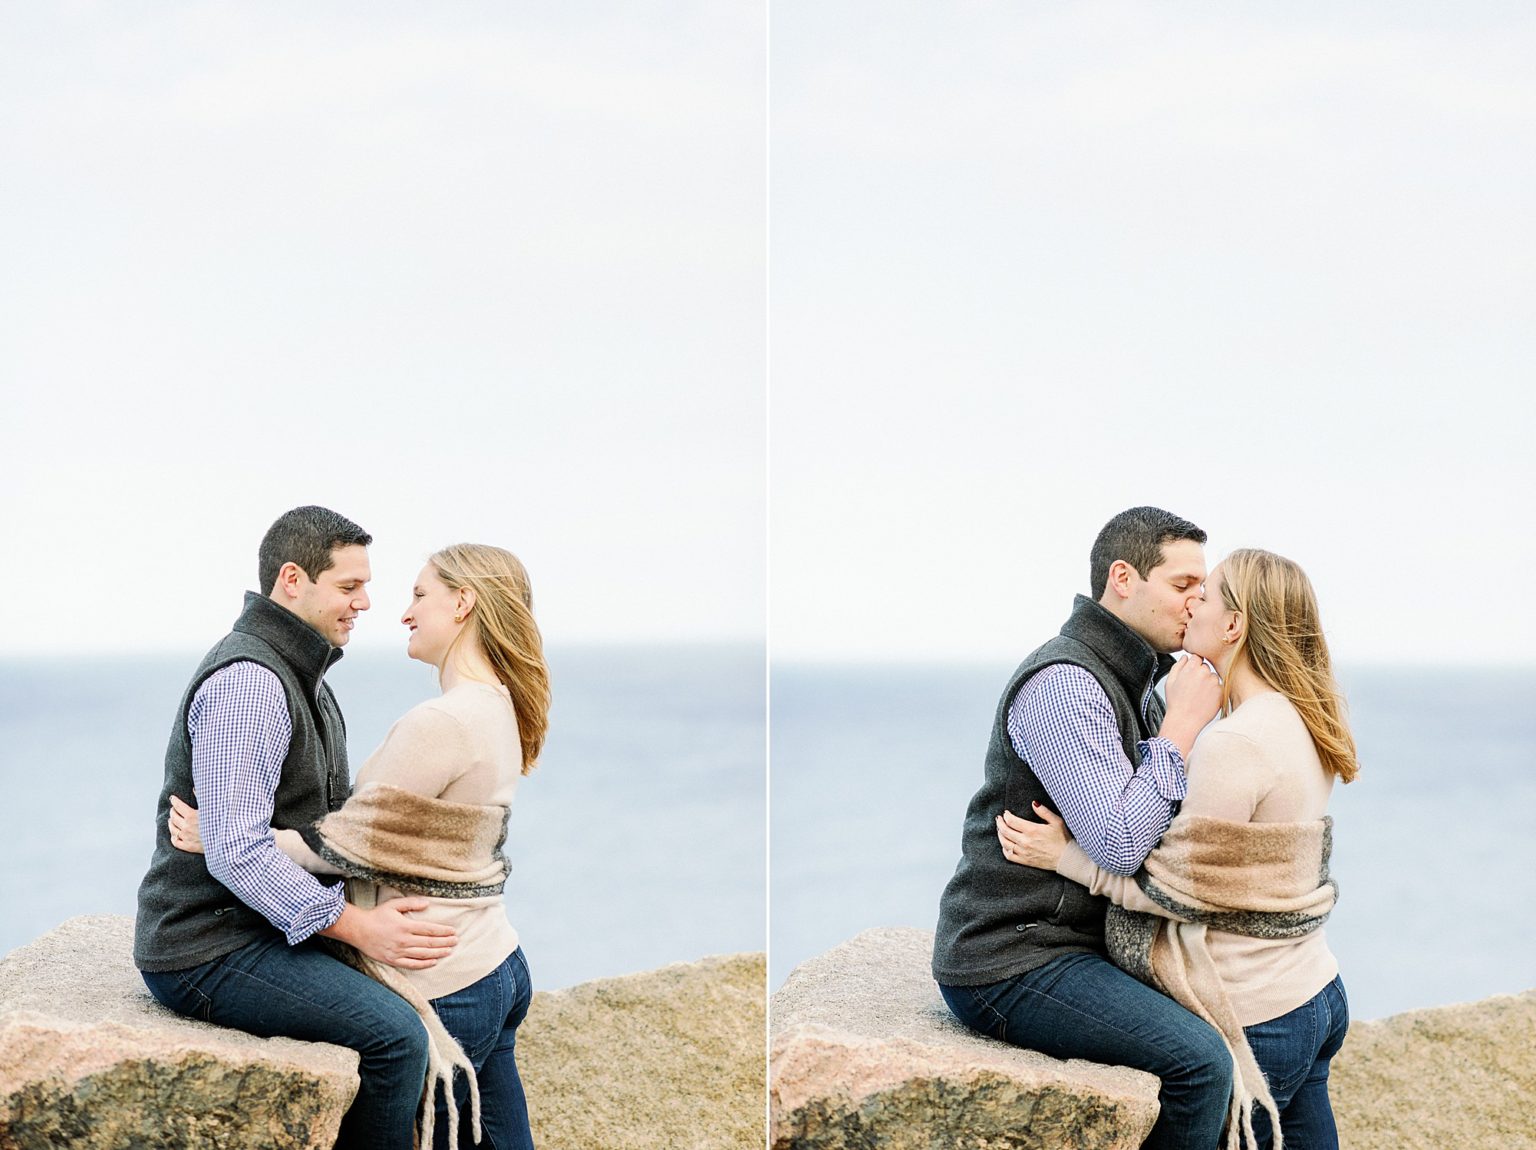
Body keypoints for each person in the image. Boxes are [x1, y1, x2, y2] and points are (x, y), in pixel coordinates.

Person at [171, 542, 549, 1150]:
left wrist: (224, 835)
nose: (403, 611)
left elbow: (350, 843)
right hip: (496, 959)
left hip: (443, 976)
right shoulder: (498, 705)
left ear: (463, 603)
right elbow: (393, 835)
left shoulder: (441, 723)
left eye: (419, 595)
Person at [996, 548, 1357, 1150]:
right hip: (1317, 989)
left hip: (1258, 1011)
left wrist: (1064, 857)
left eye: (1204, 594)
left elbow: (1176, 891)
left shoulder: (1234, 744)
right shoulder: (1301, 719)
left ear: (1234, 624)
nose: (1193, 606)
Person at [134, 505, 459, 1150]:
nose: (366, 602)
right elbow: (239, 854)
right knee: (397, 1038)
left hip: (262, 928)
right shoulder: (250, 682)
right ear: (292, 579)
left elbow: (310, 823)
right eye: (349, 586)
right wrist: (360, 927)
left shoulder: (306, 674)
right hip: (208, 946)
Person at [932, 506, 1233, 1150]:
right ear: (1123, 578)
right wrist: (1181, 729)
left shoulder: (1135, 677)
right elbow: (1121, 844)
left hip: (1077, 945)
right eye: (1182, 585)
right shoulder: (1065, 684)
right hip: (1012, 958)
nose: (1196, 603)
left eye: (1202, 589)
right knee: (1203, 1064)